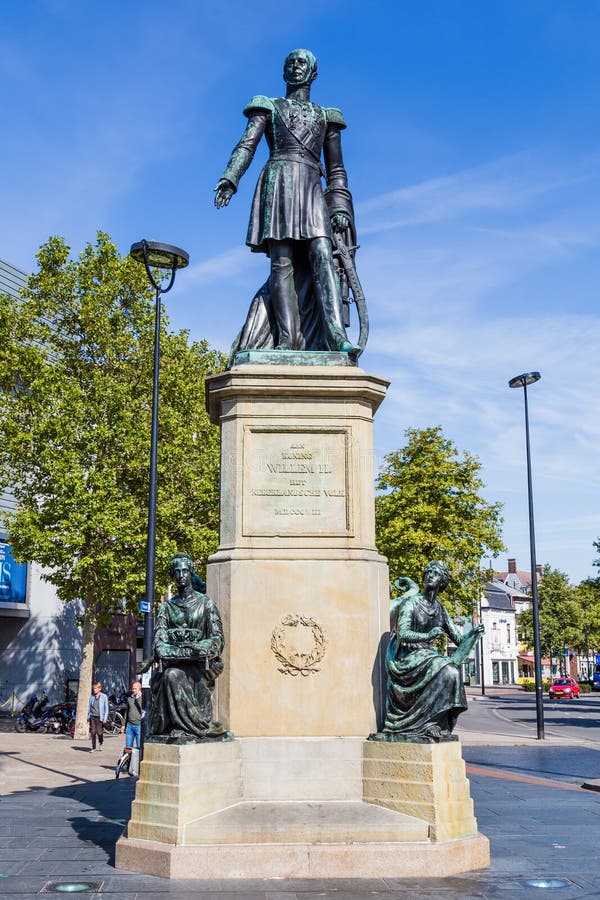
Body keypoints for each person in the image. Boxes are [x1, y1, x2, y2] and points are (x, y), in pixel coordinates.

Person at [215, 49, 361, 356]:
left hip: (310, 187)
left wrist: (339, 208)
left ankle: (336, 336)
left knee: (322, 254)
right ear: (284, 72)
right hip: (279, 181)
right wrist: (231, 178)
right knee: (281, 263)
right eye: (290, 63)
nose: (295, 68)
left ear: (312, 74)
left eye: (301, 63)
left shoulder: (327, 116)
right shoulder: (268, 106)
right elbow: (247, 145)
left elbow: (336, 170)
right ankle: (285, 340)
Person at [380, 561, 484, 741]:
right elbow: (403, 633)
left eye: (435, 573)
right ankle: (426, 725)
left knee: (452, 672)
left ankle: (437, 723)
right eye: (428, 572)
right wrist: (427, 635)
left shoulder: (440, 609)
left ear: (442, 581)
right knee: (447, 668)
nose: (430, 575)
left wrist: (473, 635)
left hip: (425, 656)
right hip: (406, 656)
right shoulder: (411, 603)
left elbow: (458, 640)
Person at [148, 552, 227, 740]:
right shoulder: (166, 608)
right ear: (173, 575)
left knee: (172, 676)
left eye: (185, 571)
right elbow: (158, 642)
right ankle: (184, 727)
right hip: (175, 665)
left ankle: (193, 726)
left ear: (191, 572)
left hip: (198, 669)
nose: (181, 575)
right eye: (177, 572)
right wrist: (171, 650)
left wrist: (205, 646)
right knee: (171, 675)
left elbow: (218, 638)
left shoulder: (206, 603)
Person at [120, 680, 143, 754]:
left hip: (139, 726)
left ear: (139, 689)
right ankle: (128, 763)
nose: (133, 690)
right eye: (133, 688)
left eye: (135, 689)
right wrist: (123, 725)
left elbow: (142, 709)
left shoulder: (143, 698)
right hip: (130, 726)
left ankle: (138, 763)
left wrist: (138, 698)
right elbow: (127, 712)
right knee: (128, 748)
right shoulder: (130, 699)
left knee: (140, 747)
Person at [87, 681, 108, 752]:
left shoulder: (104, 697)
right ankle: (93, 748)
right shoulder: (91, 697)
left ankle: (101, 742)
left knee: (99, 733)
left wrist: (105, 718)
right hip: (93, 716)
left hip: (100, 717)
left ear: (99, 689)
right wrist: (88, 717)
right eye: (93, 688)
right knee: (93, 732)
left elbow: (106, 708)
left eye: (95, 688)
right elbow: (89, 708)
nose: (94, 690)